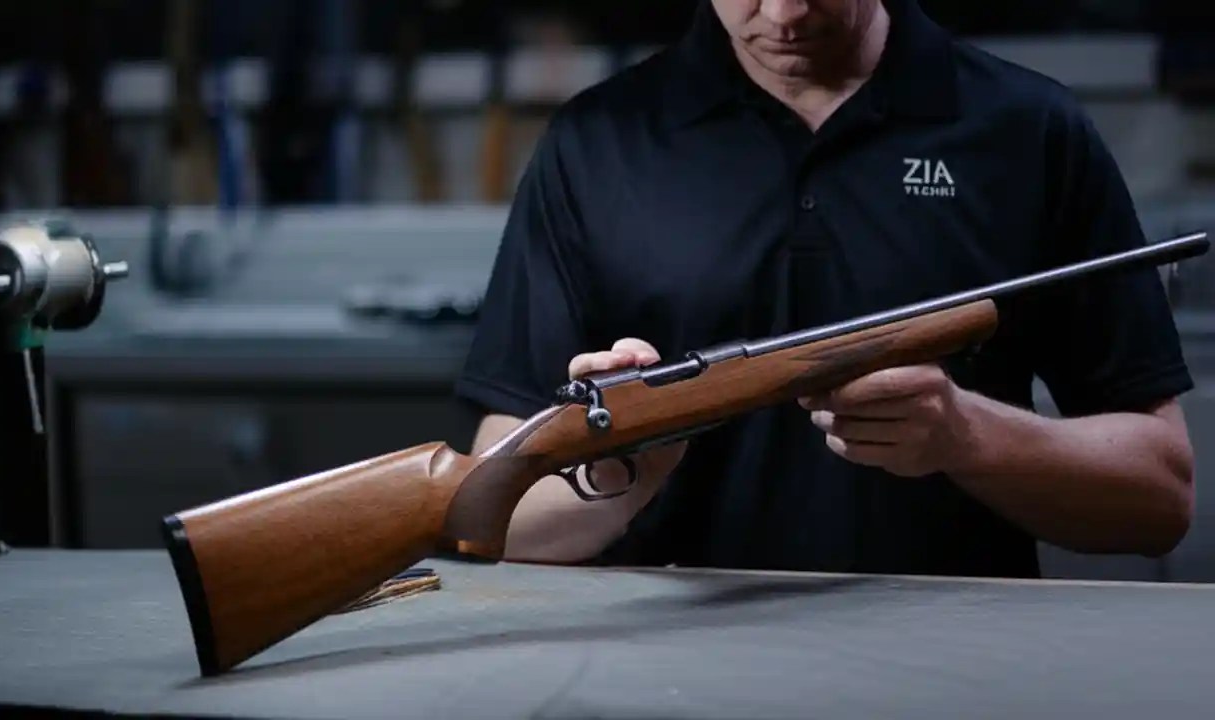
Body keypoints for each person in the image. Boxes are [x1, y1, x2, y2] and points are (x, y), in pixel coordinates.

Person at [452, 0, 1196, 577]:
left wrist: (968, 436)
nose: (784, 14)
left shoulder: (1030, 131)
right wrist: (623, 471)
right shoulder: (595, 142)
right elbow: (495, 514)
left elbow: (1159, 499)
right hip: (663, 671)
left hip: (959, 667)